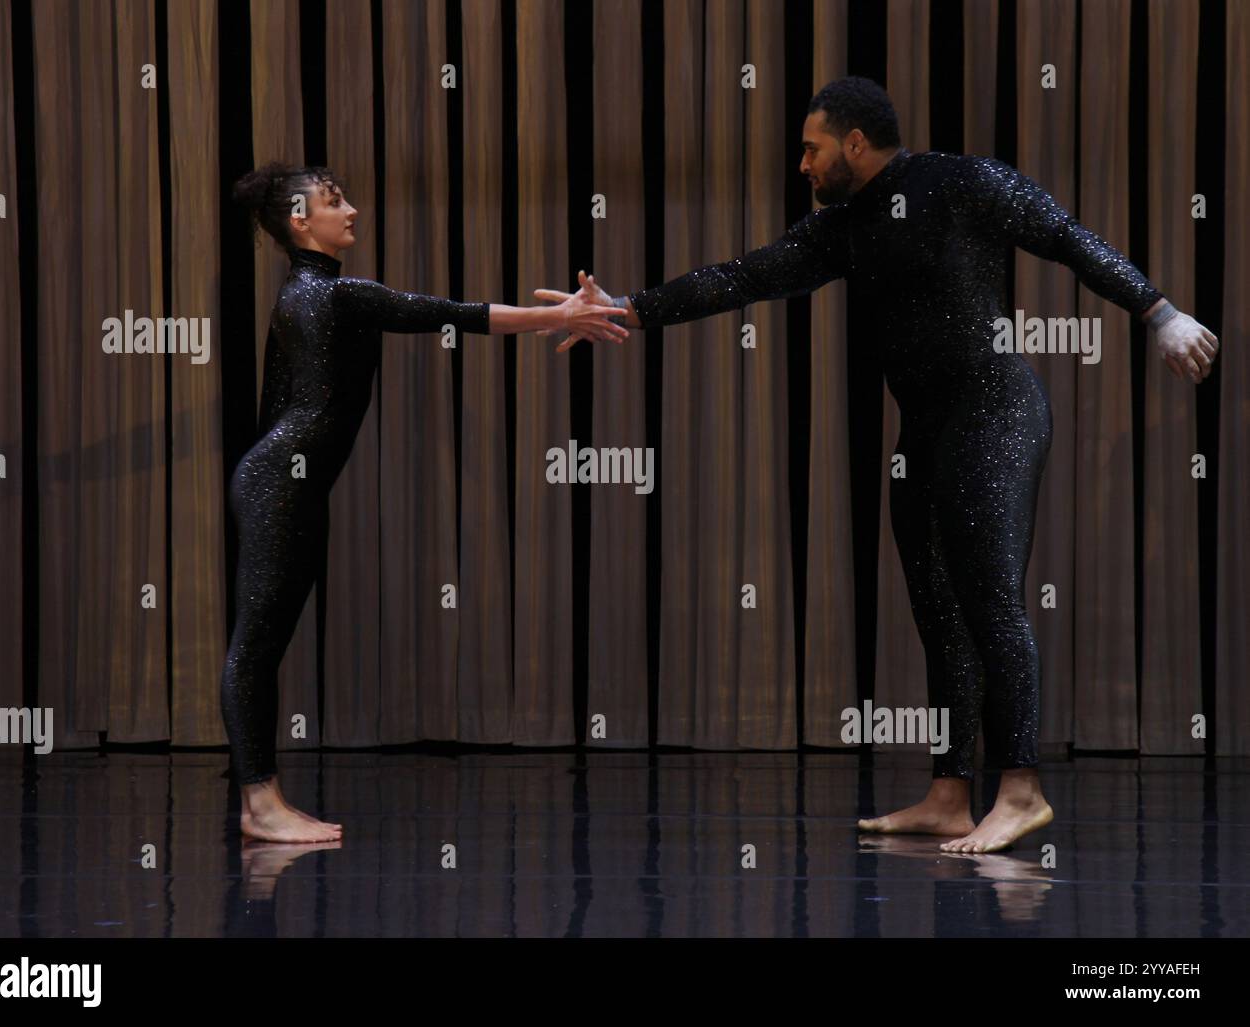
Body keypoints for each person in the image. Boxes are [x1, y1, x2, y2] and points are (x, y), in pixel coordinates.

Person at [538, 76, 1218, 854]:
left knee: (989, 598)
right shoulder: (844, 227)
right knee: (938, 612)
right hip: (923, 432)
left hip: (995, 413)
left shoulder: (963, 182)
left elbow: (1066, 235)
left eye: (811, 147)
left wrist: (1159, 312)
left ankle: (1020, 789)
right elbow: (742, 276)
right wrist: (627, 307)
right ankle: (949, 793)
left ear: (854, 143)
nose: (802, 164)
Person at [226, 162, 627, 843]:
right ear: (300, 219)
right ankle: (259, 804)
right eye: (333, 201)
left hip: (281, 482)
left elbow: (277, 399)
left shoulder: (305, 296)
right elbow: (453, 314)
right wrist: (559, 314)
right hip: (278, 485)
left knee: (264, 645)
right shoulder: (333, 296)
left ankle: (262, 799)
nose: (350, 209)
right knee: (256, 646)